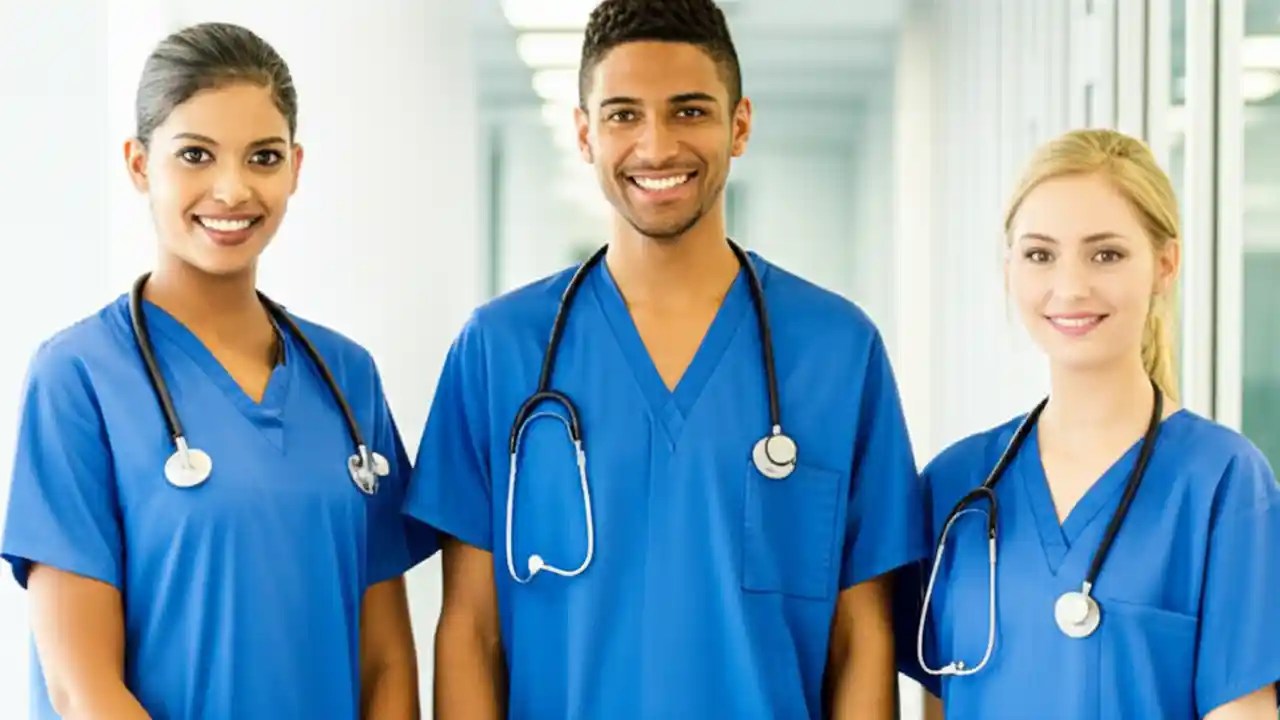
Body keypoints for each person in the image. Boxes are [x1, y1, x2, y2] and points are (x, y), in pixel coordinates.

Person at [404, 1, 926, 718]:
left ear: (739, 125)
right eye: (623, 114)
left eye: (689, 111)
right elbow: (471, 630)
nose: (656, 146)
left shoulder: (837, 352)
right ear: (585, 133)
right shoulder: (499, 351)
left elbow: (861, 637)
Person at [0, 22, 434, 719]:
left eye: (263, 157)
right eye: (195, 155)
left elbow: (385, 664)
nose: (231, 190)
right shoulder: (79, 377)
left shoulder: (347, 377)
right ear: (139, 164)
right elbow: (81, 689)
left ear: (295, 167)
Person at [900, 128, 1280, 719]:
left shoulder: (1222, 482)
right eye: (1040, 254)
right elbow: (938, 702)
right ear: (1009, 269)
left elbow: (1244, 710)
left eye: (1106, 254)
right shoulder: (957, 483)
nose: (1071, 287)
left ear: (1165, 265)